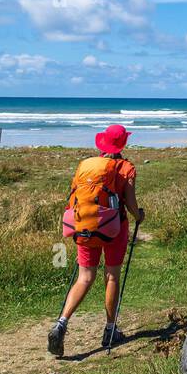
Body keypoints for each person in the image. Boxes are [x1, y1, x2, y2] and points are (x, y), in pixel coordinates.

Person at [48, 124, 140, 356]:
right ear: (123, 144)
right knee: (111, 276)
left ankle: (61, 323)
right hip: (114, 229)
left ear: (103, 143)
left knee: (85, 277)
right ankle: (110, 329)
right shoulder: (126, 168)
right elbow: (130, 205)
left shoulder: (87, 167)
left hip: (85, 227)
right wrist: (140, 216)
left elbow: (73, 200)